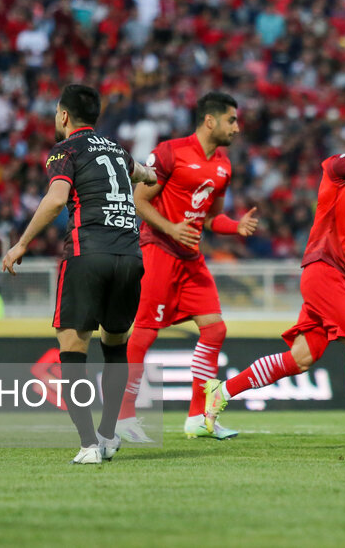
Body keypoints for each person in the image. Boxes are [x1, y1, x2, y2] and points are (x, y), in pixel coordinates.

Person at [203, 112, 345, 451]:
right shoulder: (338, 167)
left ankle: (223, 391)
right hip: (324, 271)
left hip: (332, 275)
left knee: (301, 358)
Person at [2, 84, 157, 464]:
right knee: (116, 346)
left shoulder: (65, 150)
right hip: (130, 256)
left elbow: (57, 199)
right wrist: (149, 174)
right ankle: (107, 435)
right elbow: (148, 175)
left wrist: (21, 244)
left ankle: (89, 444)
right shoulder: (118, 151)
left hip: (88, 254)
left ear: (65, 116)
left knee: (72, 347)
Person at [116, 91, 259, 442]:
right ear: (210, 120)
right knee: (146, 331)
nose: (237, 128)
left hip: (191, 258)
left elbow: (211, 217)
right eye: (231, 120)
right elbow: (139, 200)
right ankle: (122, 416)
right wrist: (170, 227)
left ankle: (197, 416)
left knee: (215, 329)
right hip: (158, 249)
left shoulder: (224, 164)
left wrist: (234, 226)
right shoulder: (169, 152)